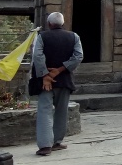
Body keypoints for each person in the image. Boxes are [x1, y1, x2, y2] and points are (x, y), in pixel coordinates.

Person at [32, 11, 83, 156]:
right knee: (61, 112)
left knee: (45, 112)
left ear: (49, 24)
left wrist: (45, 75)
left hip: (45, 82)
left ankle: (45, 146)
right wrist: (60, 69)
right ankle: (57, 142)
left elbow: (37, 55)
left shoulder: (42, 37)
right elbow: (79, 56)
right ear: (62, 23)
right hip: (64, 80)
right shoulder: (74, 36)